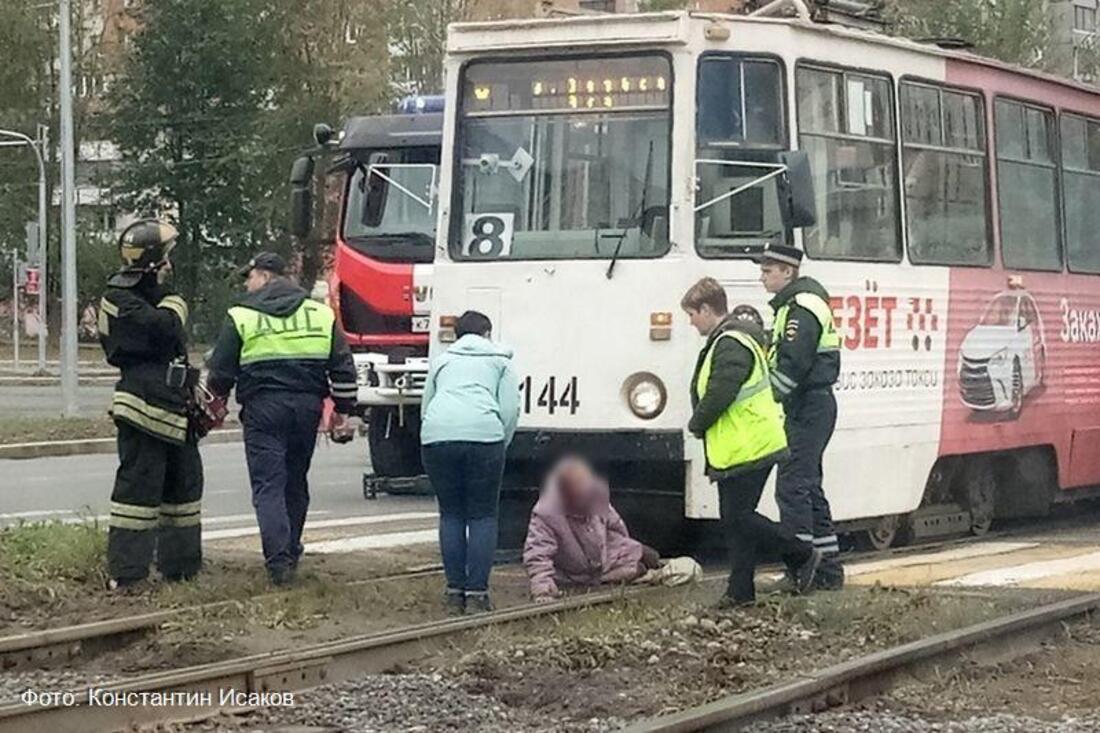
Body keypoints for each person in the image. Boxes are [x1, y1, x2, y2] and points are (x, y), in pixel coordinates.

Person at [206, 252, 358, 586]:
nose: (247, 284)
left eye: (250, 277)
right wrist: (343, 411)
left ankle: (278, 563)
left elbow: (220, 371)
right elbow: (343, 367)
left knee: (268, 484)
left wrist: (216, 403)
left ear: (264, 276)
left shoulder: (242, 315)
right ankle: (290, 550)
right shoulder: (319, 314)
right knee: (295, 480)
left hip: (263, 409)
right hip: (306, 409)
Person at [682, 277, 821, 606]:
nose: (691, 322)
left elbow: (721, 391)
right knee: (737, 523)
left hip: (749, 444)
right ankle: (740, 591)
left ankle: (801, 553)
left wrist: (697, 422)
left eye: (692, 314)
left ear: (706, 309)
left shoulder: (730, 343)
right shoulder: (731, 339)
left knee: (739, 519)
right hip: (741, 444)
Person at [98, 219, 203, 590]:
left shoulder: (146, 297)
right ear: (151, 263)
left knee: (184, 490)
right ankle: (128, 574)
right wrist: (173, 303)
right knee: (137, 493)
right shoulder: (118, 298)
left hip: (174, 405)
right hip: (143, 407)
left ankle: (182, 569)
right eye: (166, 261)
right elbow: (164, 327)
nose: (170, 269)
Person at [420, 310, 520, 615]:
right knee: (482, 516)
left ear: (457, 335)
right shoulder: (501, 362)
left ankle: (453, 592)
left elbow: (426, 406)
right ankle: (477, 593)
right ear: (488, 333)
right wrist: (498, 442)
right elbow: (509, 411)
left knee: (450, 513)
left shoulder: (441, 362)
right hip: (484, 439)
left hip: (437, 438)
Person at [759, 243, 844, 589]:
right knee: (809, 485)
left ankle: (800, 569)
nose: (762, 277)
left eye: (768, 271)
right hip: (813, 405)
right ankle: (827, 569)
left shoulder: (801, 307)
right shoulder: (796, 305)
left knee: (792, 486)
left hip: (808, 404)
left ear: (788, 272)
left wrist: (767, 400)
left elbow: (793, 363)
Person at [523, 456, 660, 603]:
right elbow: (538, 554)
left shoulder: (598, 493)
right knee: (636, 570)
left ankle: (632, 568)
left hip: (604, 556)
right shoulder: (545, 513)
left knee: (651, 556)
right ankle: (619, 574)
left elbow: (615, 525)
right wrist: (542, 590)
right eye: (578, 500)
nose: (585, 506)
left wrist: (630, 548)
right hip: (572, 571)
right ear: (565, 495)